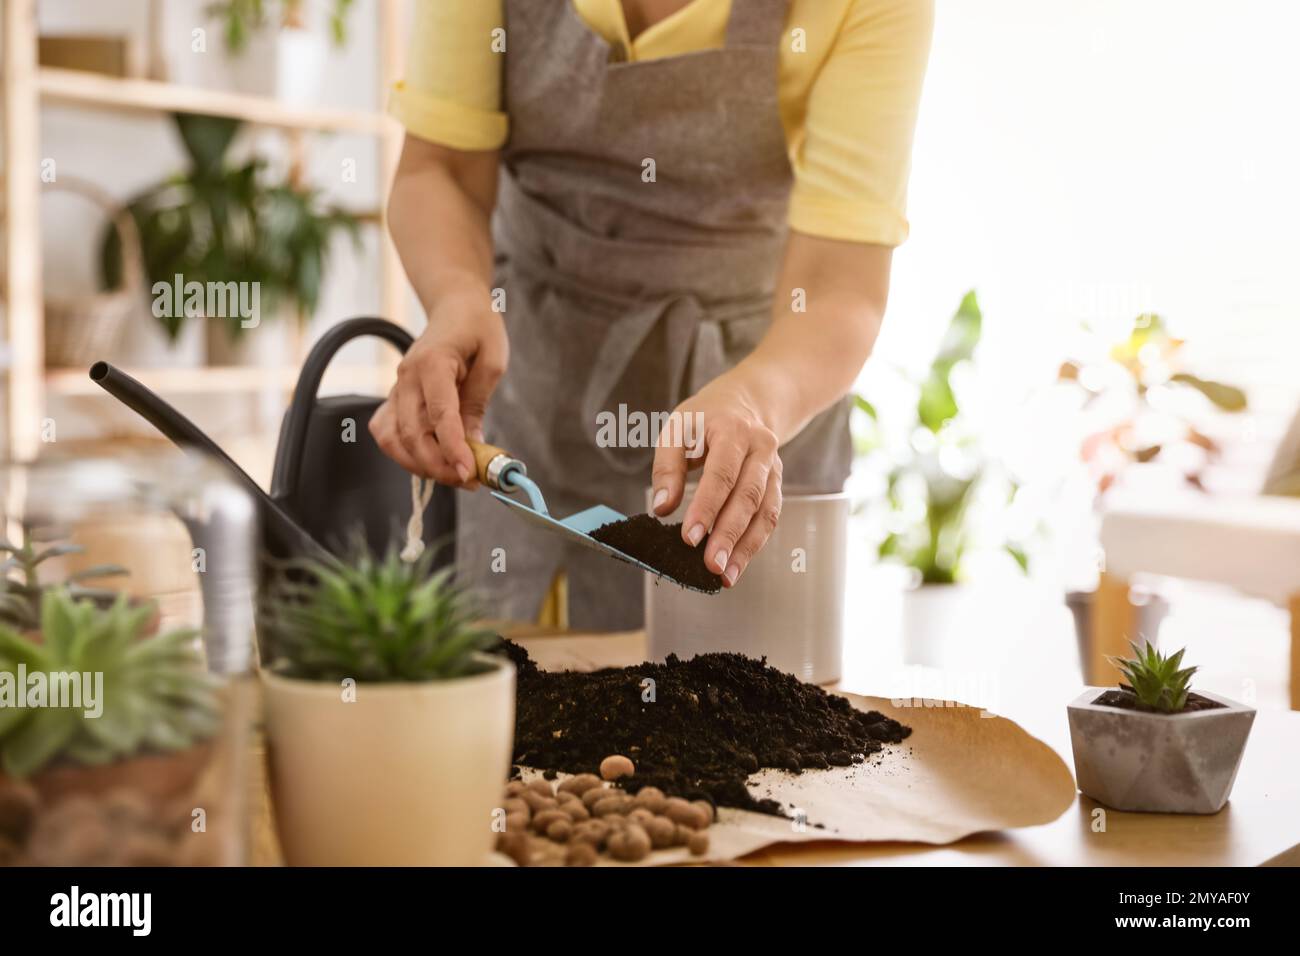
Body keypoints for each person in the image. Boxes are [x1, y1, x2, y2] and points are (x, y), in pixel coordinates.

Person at [372, 0, 933, 629]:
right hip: (535, 384)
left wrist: (755, 401)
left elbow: (840, 286)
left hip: (765, 386)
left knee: (748, 693)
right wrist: (457, 298)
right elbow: (439, 169)